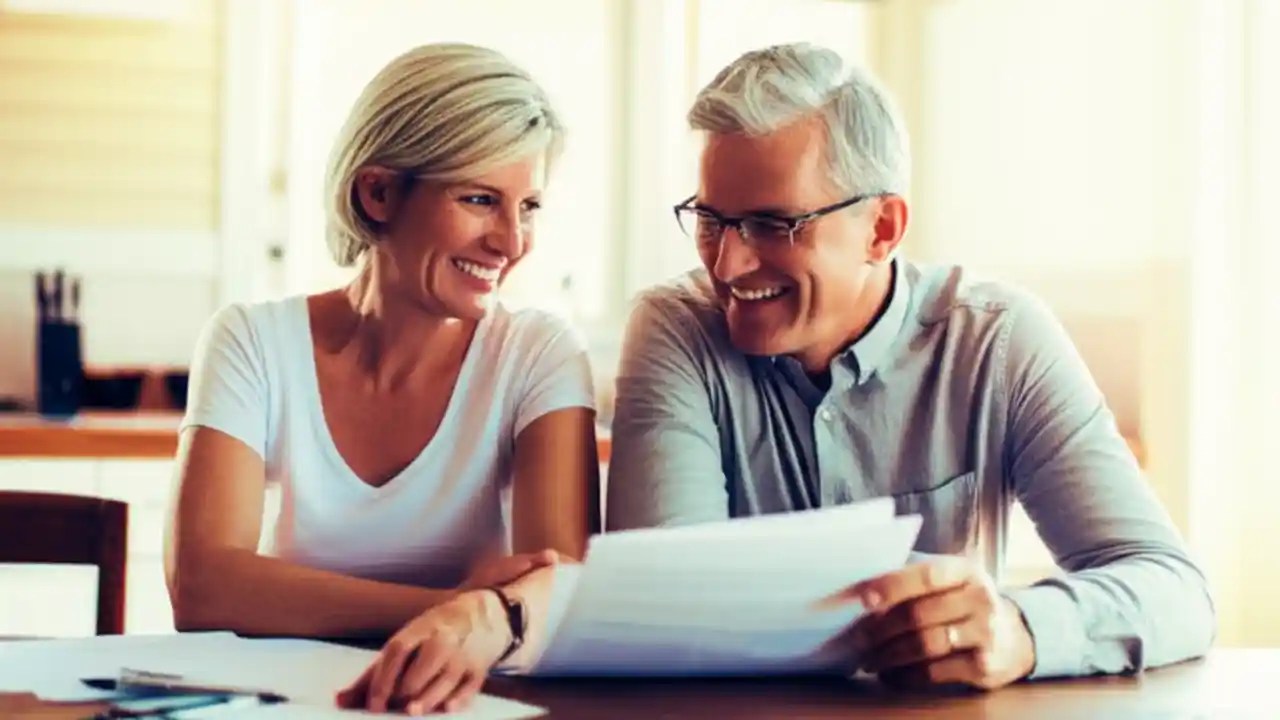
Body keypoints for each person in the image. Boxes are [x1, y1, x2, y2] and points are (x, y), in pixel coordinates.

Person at [606, 42, 1214, 690]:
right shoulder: (676, 329)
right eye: (711, 220)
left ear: (883, 228)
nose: (726, 266)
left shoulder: (997, 342)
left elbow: (1174, 589)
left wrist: (1021, 629)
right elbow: (666, 602)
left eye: (770, 225)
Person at [164, 43, 599, 714]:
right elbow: (202, 587)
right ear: (378, 192)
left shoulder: (538, 353)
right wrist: (459, 611)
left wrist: (489, 619)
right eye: (481, 199)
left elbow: (558, 594)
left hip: (464, 701)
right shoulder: (251, 340)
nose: (512, 242)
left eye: (530, 207)